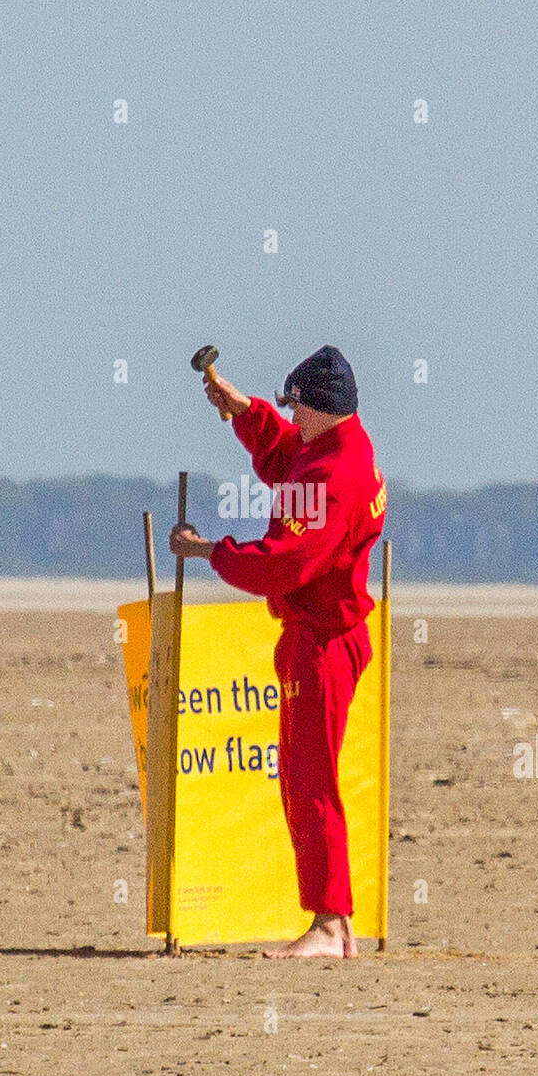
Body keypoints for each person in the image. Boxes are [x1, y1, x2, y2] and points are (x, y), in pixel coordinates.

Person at [169, 346, 387, 958]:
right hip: (323, 636)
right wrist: (243, 411)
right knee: (303, 775)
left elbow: (281, 565)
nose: (290, 415)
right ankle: (332, 920)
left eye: (296, 405)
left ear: (320, 406)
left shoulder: (332, 477)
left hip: (322, 641)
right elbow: (285, 458)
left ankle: (331, 923)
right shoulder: (337, 448)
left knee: (311, 780)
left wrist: (210, 551)